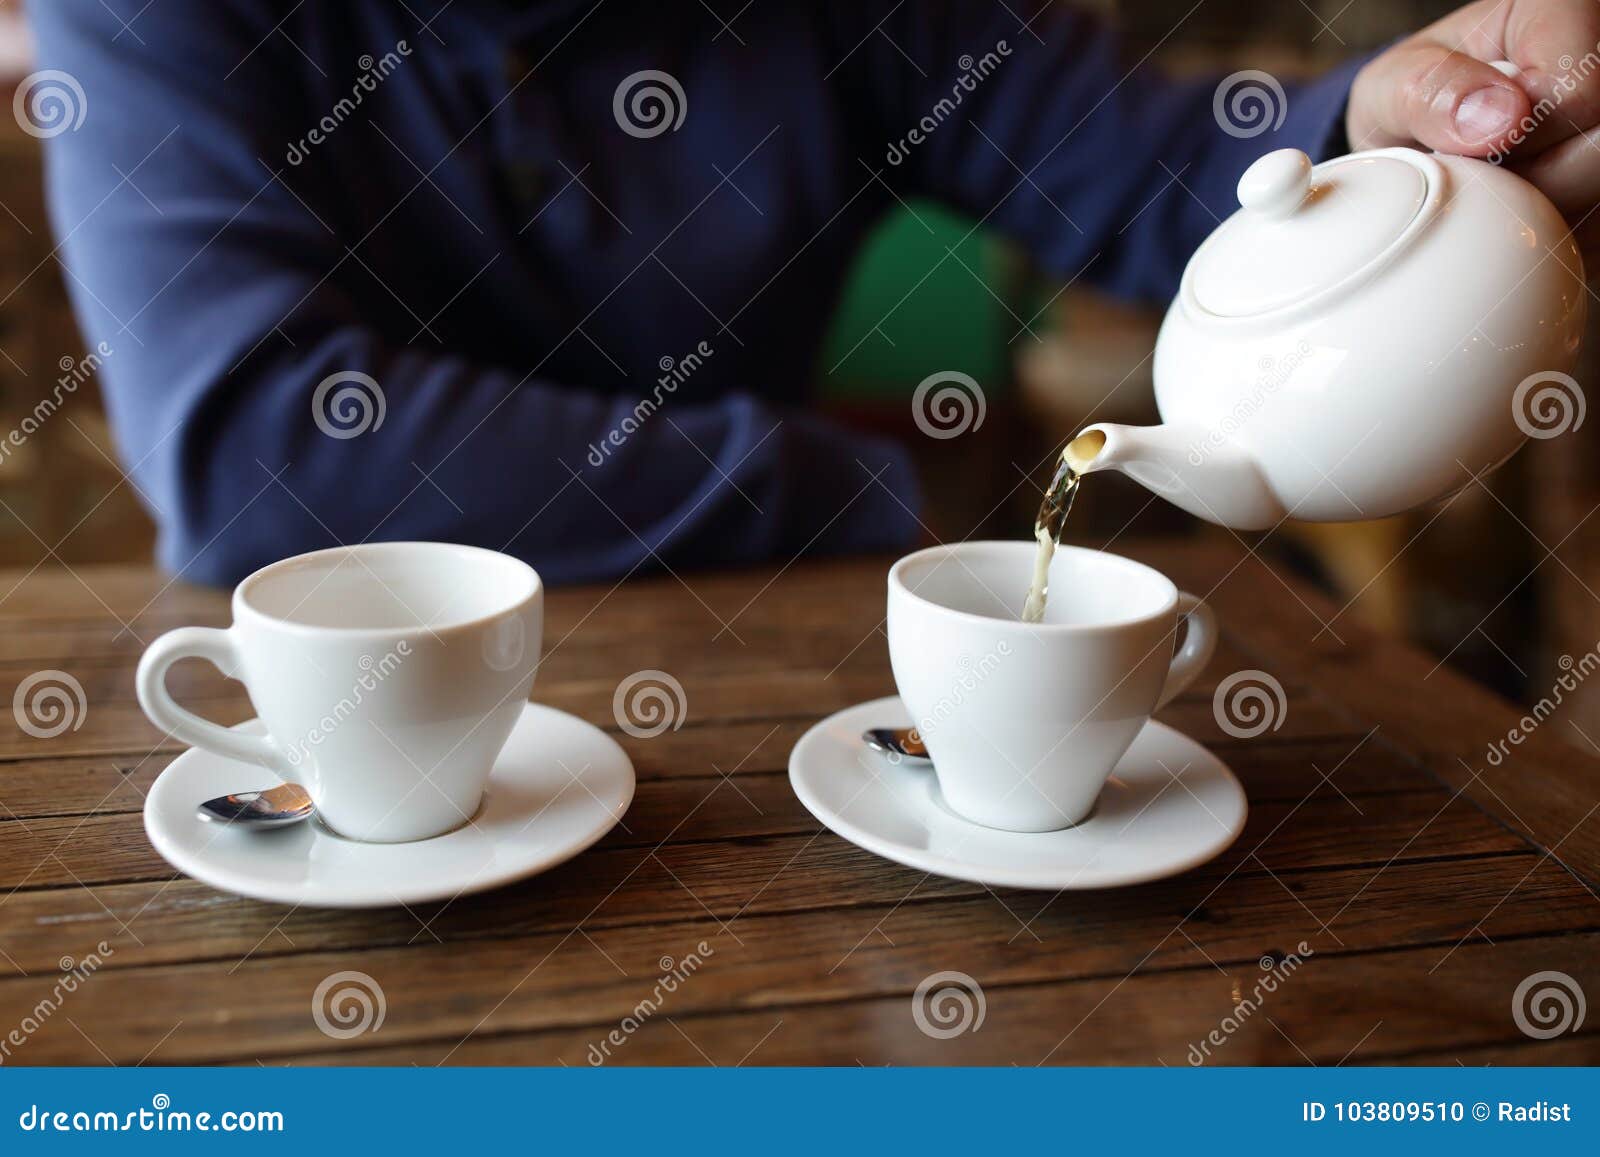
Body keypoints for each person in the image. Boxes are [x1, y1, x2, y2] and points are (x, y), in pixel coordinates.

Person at [26, 0, 1600, 586]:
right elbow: (259, 457)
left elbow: (1158, 170)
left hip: (748, 692)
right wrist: (844, 482)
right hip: (319, 724)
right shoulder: (150, 16)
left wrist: (1371, 131)